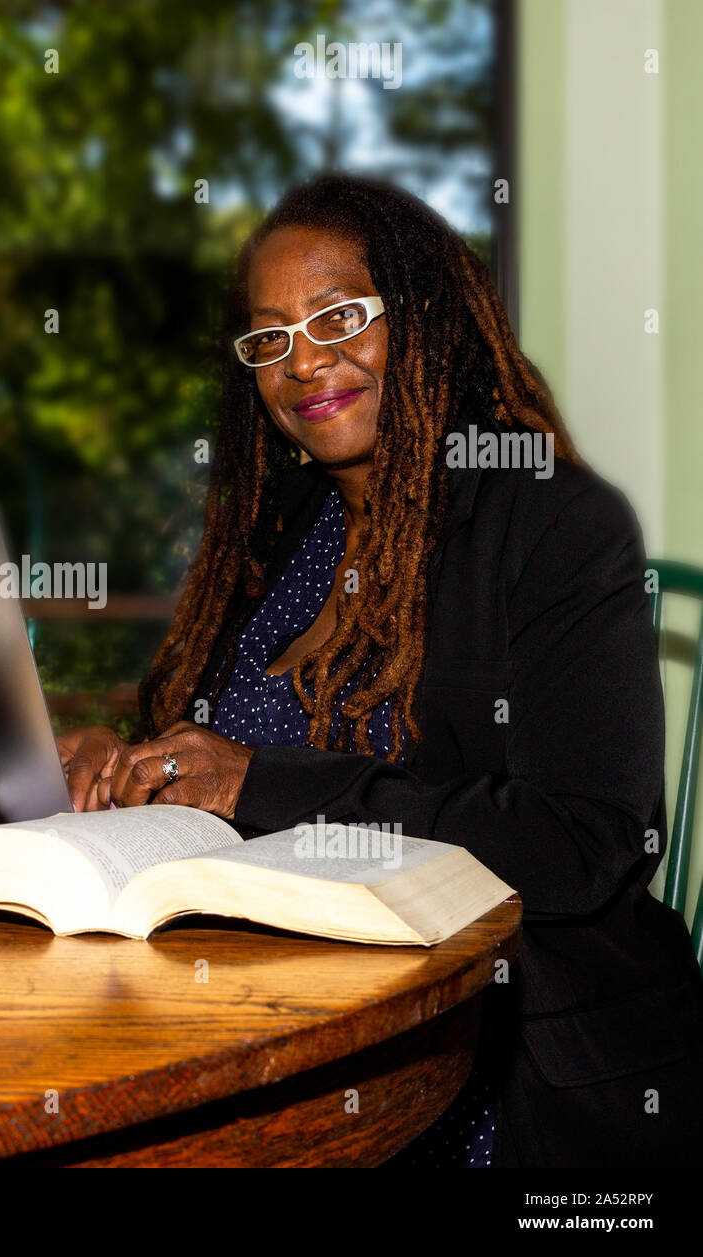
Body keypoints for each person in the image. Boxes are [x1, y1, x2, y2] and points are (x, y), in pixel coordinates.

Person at [55, 173, 703, 1168]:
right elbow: (220, 742)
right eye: (268, 338)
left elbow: (583, 843)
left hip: (487, 1050)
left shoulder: (555, 527)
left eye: (339, 315)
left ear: (426, 319)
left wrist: (257, 782)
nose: (302, 360)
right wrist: (131, 757)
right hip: (267, 1006)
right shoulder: (287, 537)